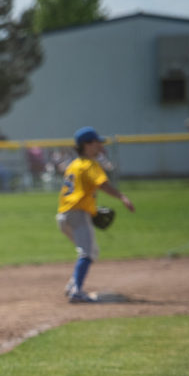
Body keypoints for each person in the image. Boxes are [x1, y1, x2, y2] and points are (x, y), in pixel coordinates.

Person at [57, 126, 135, 303]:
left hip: (63, 216)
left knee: (90, 251)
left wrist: (92, 209)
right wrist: (122, 197)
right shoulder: (90, 164)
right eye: (97, 142)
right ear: (87, 145)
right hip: (78, 214)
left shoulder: (74, 165)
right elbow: (103, 185)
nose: (100, 145)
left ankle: (72, 286)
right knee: (87, 253)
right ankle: (76, 291)